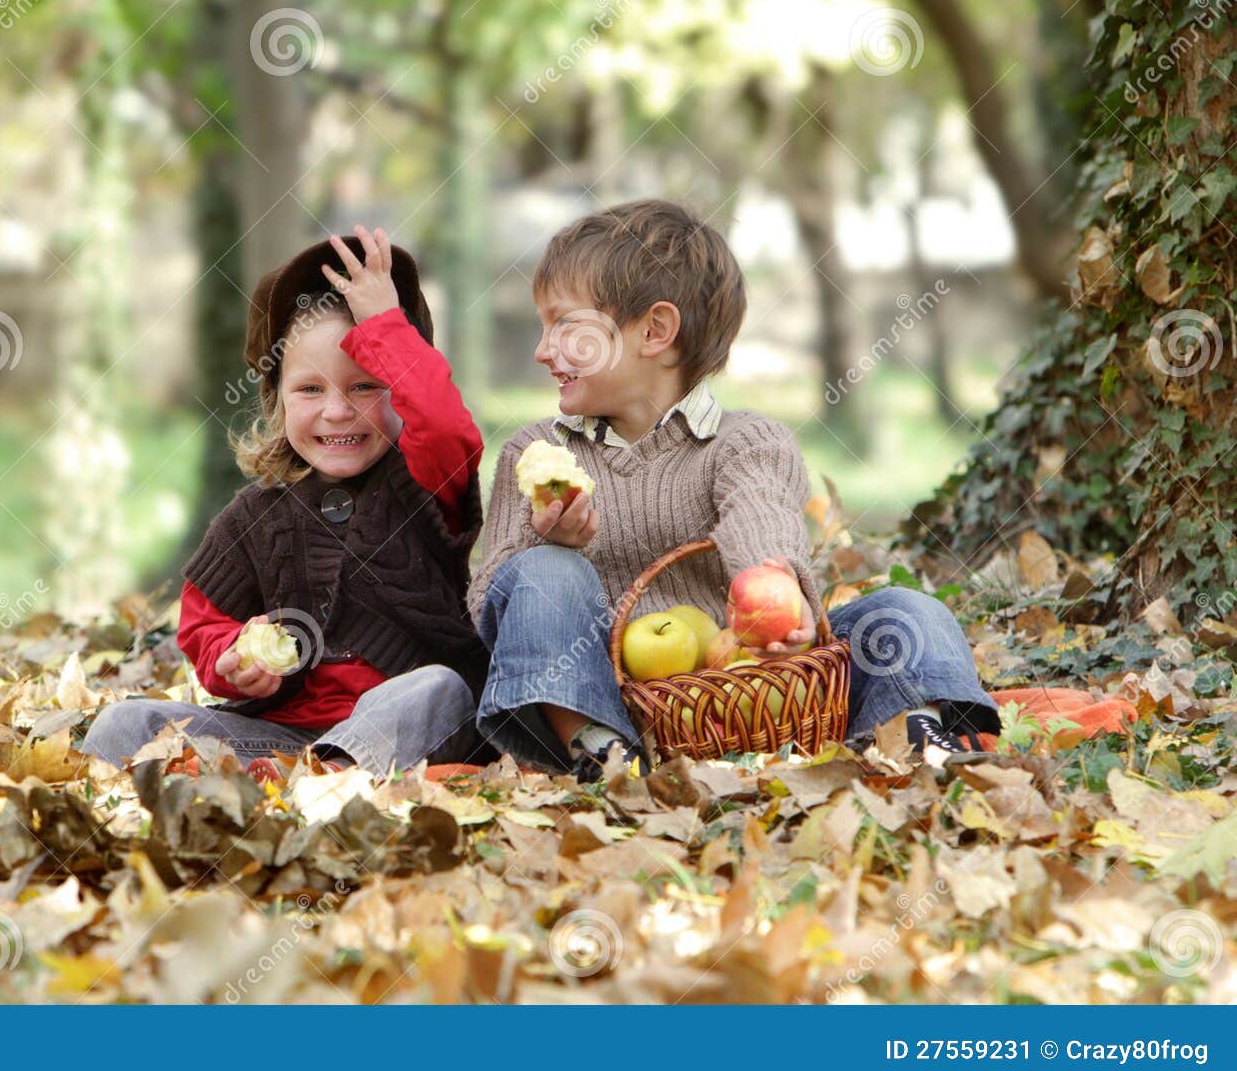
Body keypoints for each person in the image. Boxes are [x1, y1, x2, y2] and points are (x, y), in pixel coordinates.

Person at [467, 199, 1000, 781]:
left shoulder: (744, 440)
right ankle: (599, 754)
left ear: (655, 331)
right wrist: (554, 547)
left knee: (901, 611)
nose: (543, 350)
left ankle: (917, 734)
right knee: (545, 575)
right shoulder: (538, 452)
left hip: (748, 684)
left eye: (565, 325)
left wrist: (779, 600)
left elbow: (759, 514)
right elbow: (490, 603)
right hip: (604, 685)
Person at [82, 227, 492, 780]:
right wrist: (232, 661)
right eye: (310, 390)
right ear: (277, 400)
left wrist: (385, 328)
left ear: (400, 388)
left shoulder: (423, 481)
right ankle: (275, 784)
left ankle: (328, 781)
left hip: (404, 734)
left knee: (440, 688)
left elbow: (444, 424)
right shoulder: (254, 519)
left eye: (366, 387)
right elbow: (203, 625)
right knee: (124, 725)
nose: (337, 411)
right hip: (278, 739)